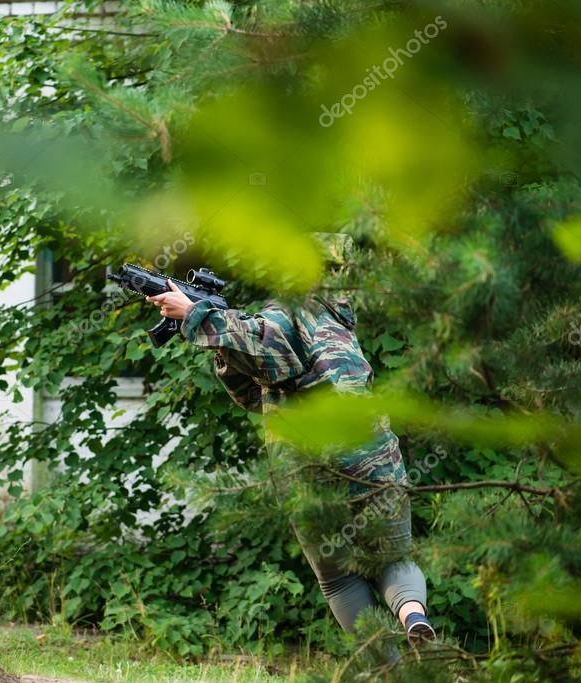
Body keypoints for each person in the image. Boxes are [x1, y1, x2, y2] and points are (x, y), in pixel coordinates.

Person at [145, 241, 436, 646]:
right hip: (377, 460)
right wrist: (212, 323)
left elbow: (253, 371)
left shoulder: (282, 315)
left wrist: (194, 315)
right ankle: (413, 617)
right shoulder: (341, 318)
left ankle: (390, 670)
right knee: (394, 560)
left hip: (310, 470)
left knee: (338, 580)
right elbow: (258, 385)